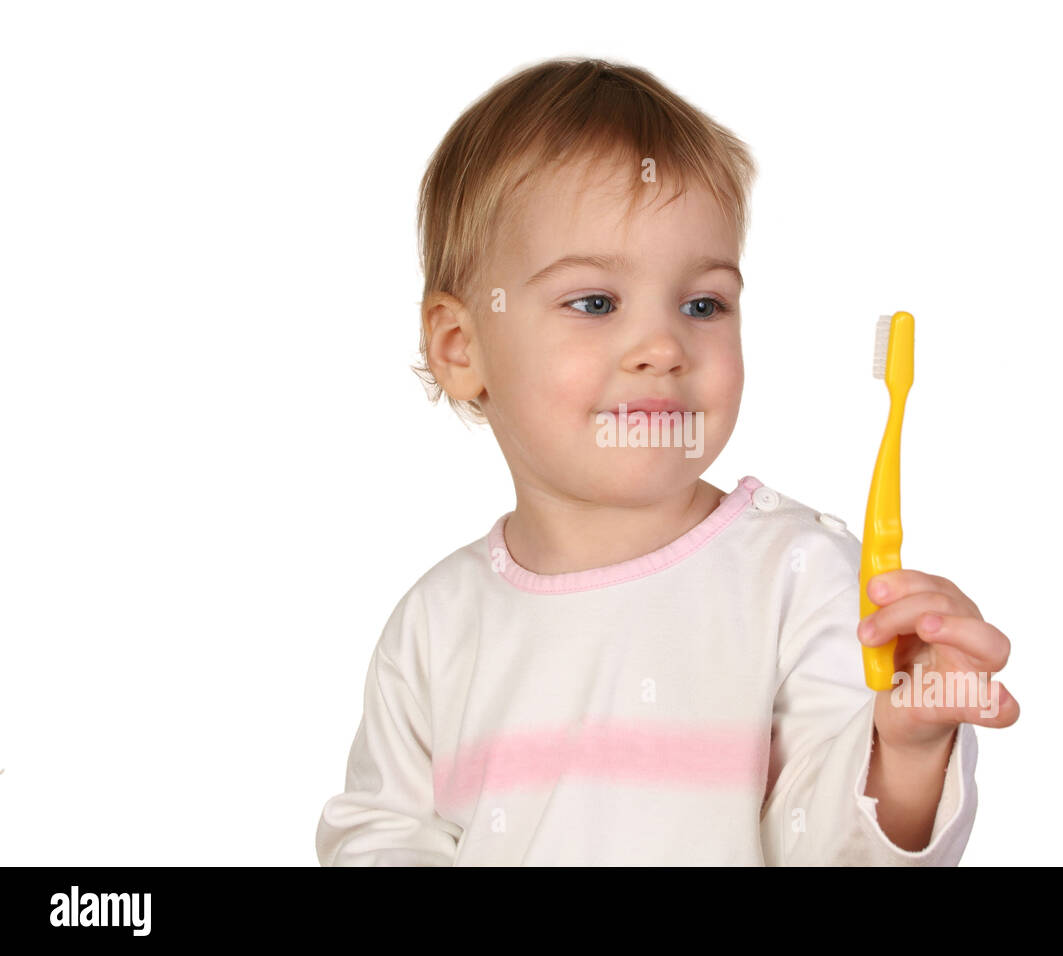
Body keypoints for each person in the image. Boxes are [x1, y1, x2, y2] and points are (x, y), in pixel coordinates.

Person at [316, 57, 1019, 866]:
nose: (662, 346)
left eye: (702, 304)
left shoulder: (800, 581)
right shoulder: (435, 627)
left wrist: (908, 752)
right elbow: (380, 834)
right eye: (594, 302)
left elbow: (833, 849)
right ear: (461, 346)